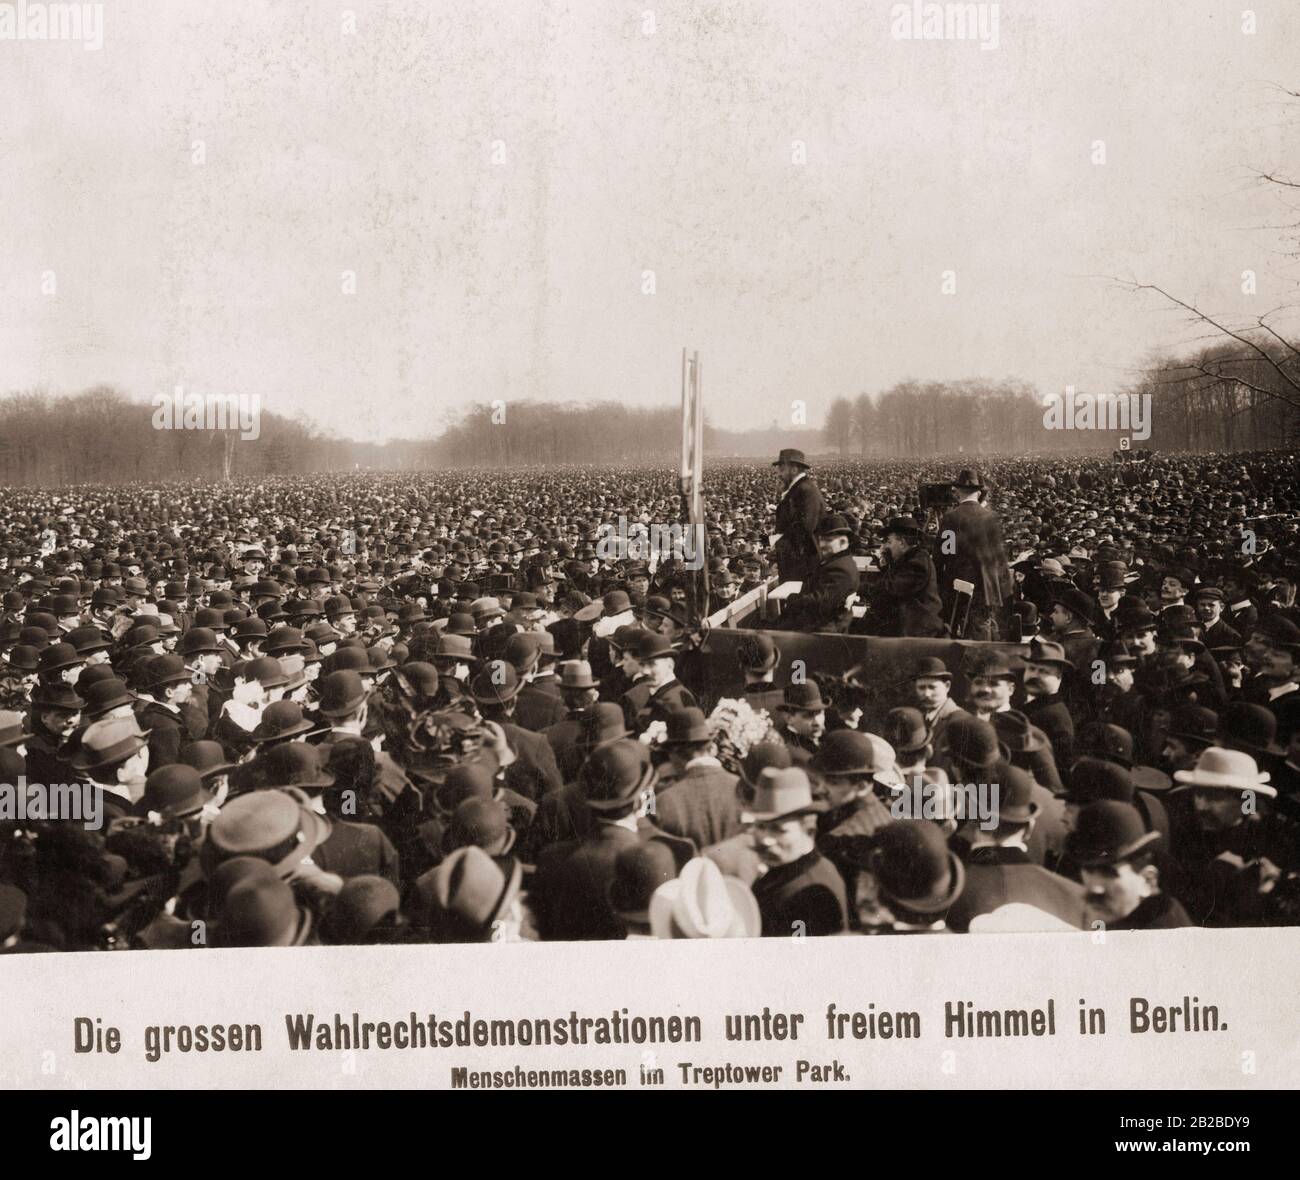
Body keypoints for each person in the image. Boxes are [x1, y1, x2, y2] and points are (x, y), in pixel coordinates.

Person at [743, 767, 847, 937]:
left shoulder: (812, 896)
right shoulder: (789, 868)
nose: (765, 840)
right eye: (761, 827)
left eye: (778, 830)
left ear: (809, 831)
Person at [1066, 801, 1191, 930]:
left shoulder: (1160, 937)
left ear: (1148, 881)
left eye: (1108, 873)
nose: (1095, 888)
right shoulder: (1124, 918)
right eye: (1089, 869)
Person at [933, 467, 1012, 640]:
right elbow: (1000, 557)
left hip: (959, 585)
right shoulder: (991, 517)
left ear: (958, 492)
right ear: (979, 492)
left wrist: (939, 582)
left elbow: (945, 553)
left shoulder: (951, 518)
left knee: (960, 631)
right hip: (989, 586)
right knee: (985, 628)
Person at [861, 516, 945, 637]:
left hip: (917, 628)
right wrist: (885, 565)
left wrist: (858, 587)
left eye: (889, 542)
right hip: (907, 620)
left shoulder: (918, 562)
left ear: (902, 543)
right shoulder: (910, 558)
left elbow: (891, 588)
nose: (885, 547)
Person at [781, 514, 859, 634]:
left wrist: (792, 599)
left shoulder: (840, 568)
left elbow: (821, 601)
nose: (821, 545)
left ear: (843, 541)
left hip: (825, 631)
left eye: (828, 540)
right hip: (822, 626)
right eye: (821, 539)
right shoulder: (838, 561)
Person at [771, 449, 824, 584]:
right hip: (799, 560)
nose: (779, 474)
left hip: (804, 562)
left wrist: (778, 540)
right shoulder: (800, 489)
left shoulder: (805, 490)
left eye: (782, 469)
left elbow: (805, 528)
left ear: (794, 469)